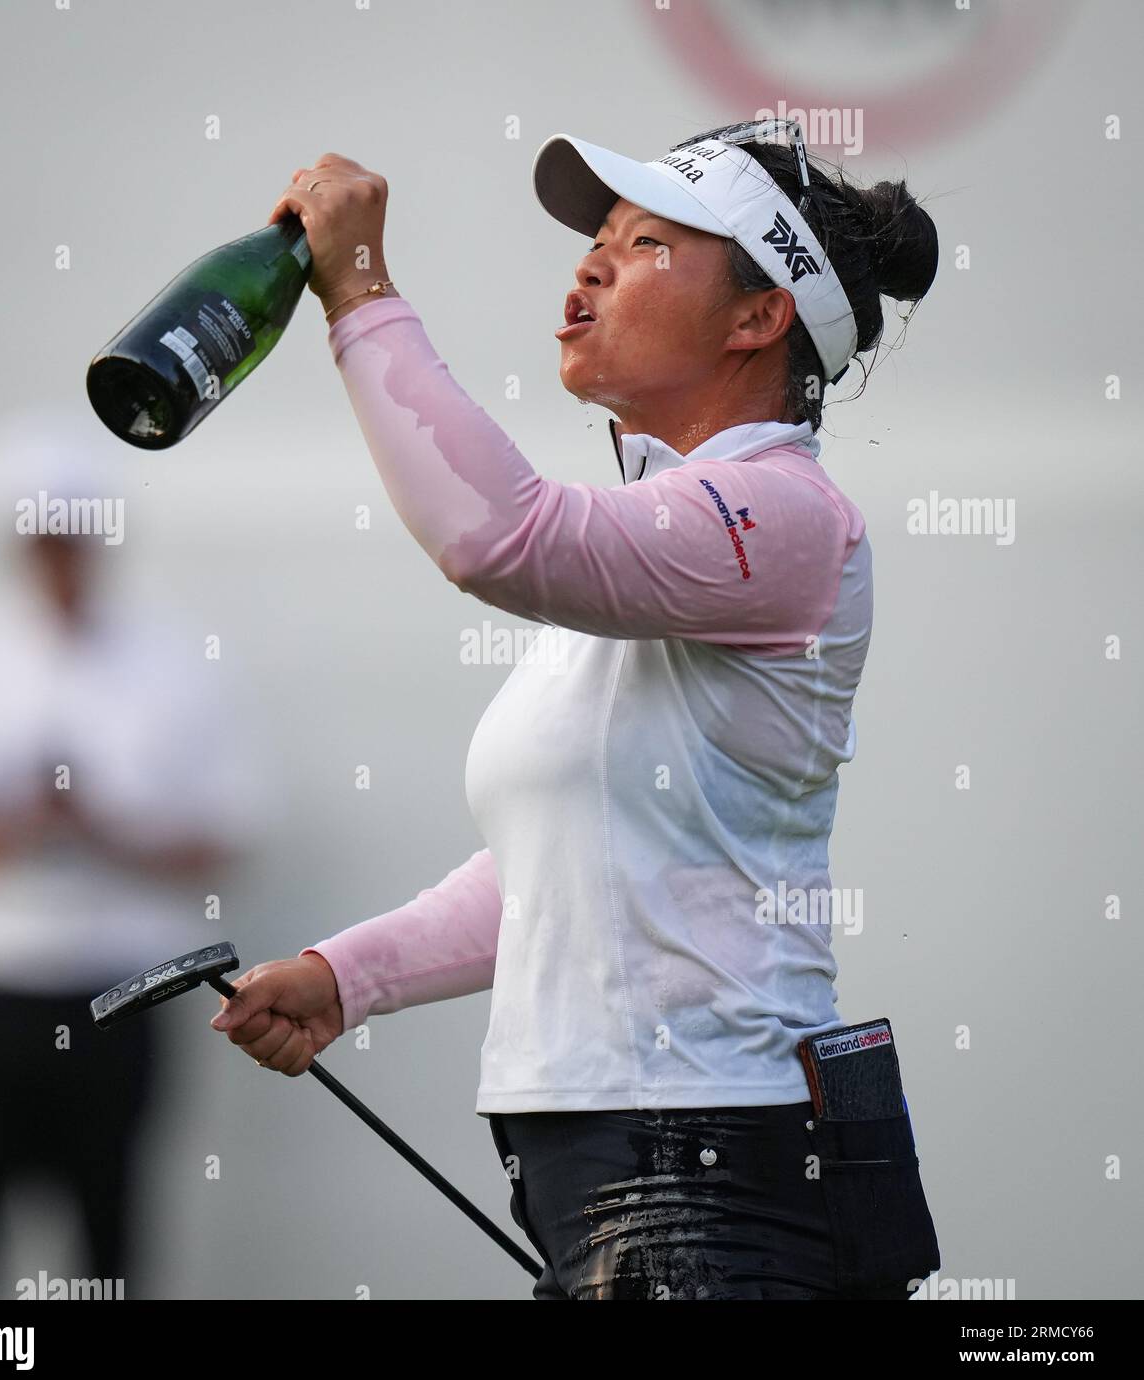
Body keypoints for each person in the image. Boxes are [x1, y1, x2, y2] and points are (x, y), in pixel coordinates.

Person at [209, 121, 942, 1299]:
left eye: (643, 244)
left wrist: (359, 289)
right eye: (596, 241)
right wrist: (347, 975)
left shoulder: (784, 512)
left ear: (759, 319)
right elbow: (563, 867)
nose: (590, 265)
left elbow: (496, 535)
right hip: (634, 1178)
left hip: (713, 1176)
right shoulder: (660, 542)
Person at [0, 409, 263, 1298]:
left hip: (123, 996)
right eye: (39, 536)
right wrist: (31, 823)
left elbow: (226, 841)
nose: (56, 555)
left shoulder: (174, 659)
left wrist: (102, 832)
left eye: (69, 535)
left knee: (111, 1240)